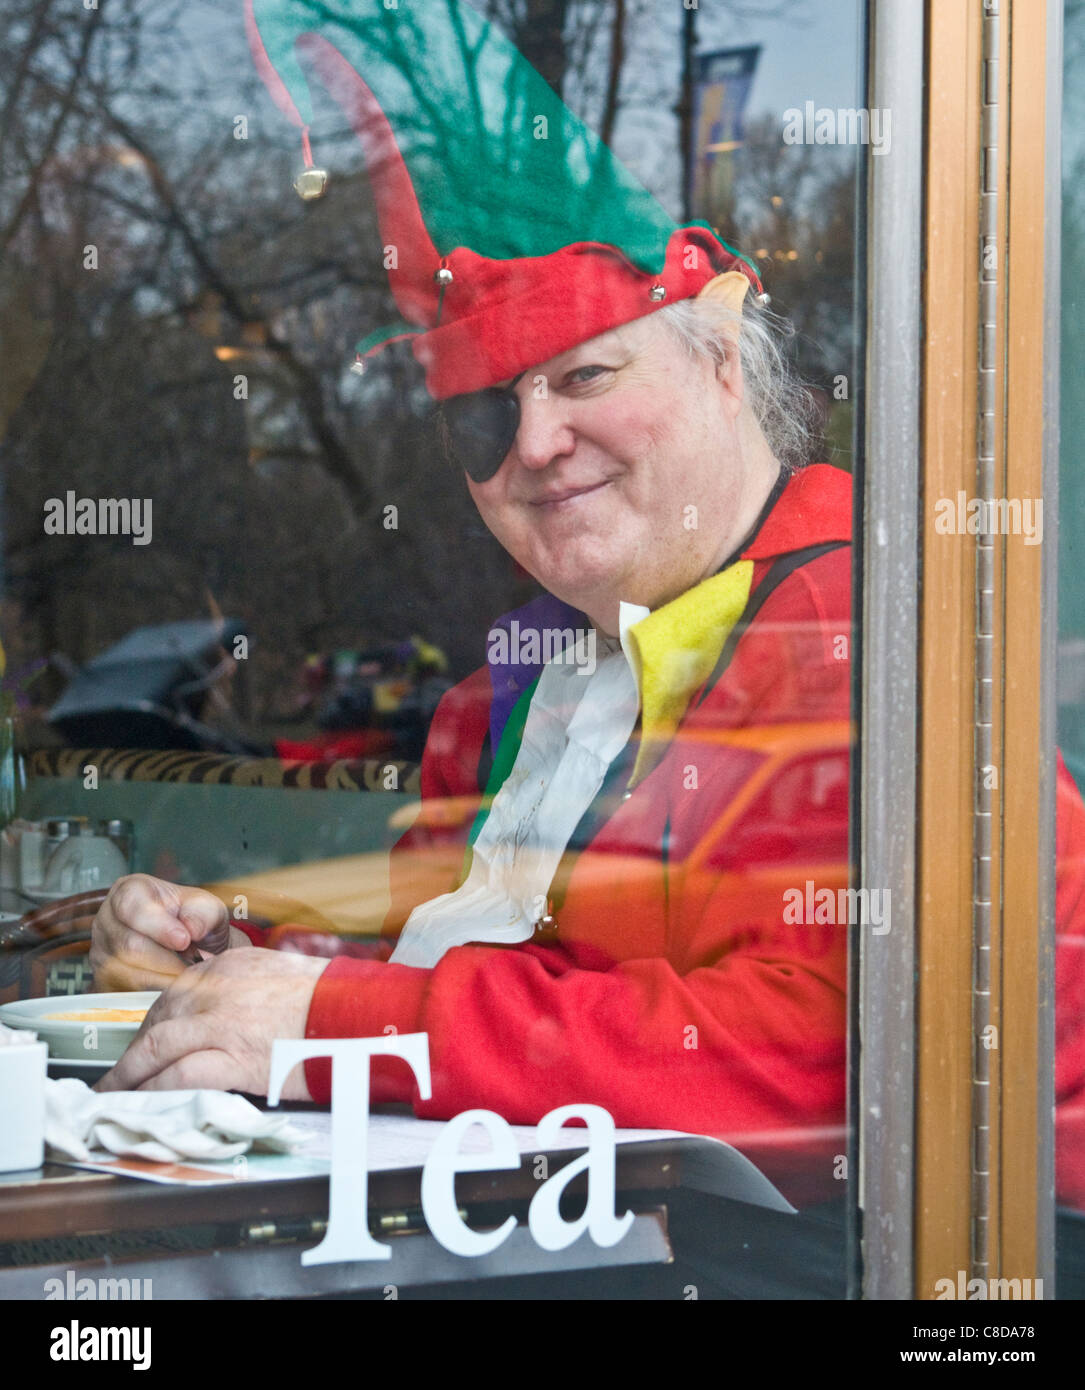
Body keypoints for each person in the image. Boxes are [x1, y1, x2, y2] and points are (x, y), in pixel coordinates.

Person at [90, 0, 1085, 1203]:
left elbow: (840, 1054)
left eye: (584, 374)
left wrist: (326, 1019)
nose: (539, 442)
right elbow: (477, 978)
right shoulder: (495, 699)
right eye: (484, 413)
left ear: (723, 366)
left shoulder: (869, 645)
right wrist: (237, 978)